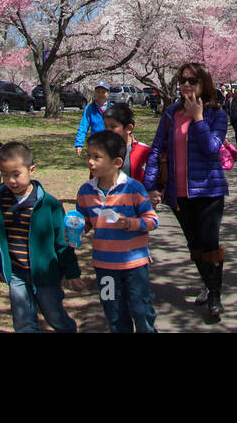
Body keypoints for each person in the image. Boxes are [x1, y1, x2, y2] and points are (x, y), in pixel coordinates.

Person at [145, 62, 229, 320]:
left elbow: (211, 148)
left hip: (209, 191)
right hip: (178, 192)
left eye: (192, 80)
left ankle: (214, 296)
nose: (186, 85)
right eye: (182, 80)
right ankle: (207, 283)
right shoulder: (170, 113)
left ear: (204, 84)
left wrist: (199, 118)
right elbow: (156, 149)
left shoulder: (217, 115)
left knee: (209, 243)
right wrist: (150, 186)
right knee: (194, 245)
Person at [0, 141, 82, 333]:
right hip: (16, 273)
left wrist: (72, 272)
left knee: (54, 316)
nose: (11, 181)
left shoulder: (50, 205)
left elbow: (62, 242)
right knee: (23, 320)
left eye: (16, 175)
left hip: (45, 274)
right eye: (5, 175)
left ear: (31, 170)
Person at [76, 130, 158, 333]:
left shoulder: (134, 188)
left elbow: (151, 221)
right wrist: (75, 227)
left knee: (141, 310)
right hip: (104, 266)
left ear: (117, 162)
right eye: (89, 156)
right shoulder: (85, 191)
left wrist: (130, 223)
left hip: (134, 265)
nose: (90, 162)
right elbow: (84, 222)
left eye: (97, 157)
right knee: (113, 312)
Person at [103, 102, 150, 183]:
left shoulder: (145, 151)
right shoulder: (101, 151)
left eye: (113, 127)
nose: (108, 130)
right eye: (105, 126)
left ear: (129, 128)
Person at [74, 80, 110, 155]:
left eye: (103, 92)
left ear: (107, 94)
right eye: (98, 92)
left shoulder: (112, 108)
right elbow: (83, 126)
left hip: (110, 143)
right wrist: (79, 144)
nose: (100, 94)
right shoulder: (89, 108)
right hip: (95, 143)